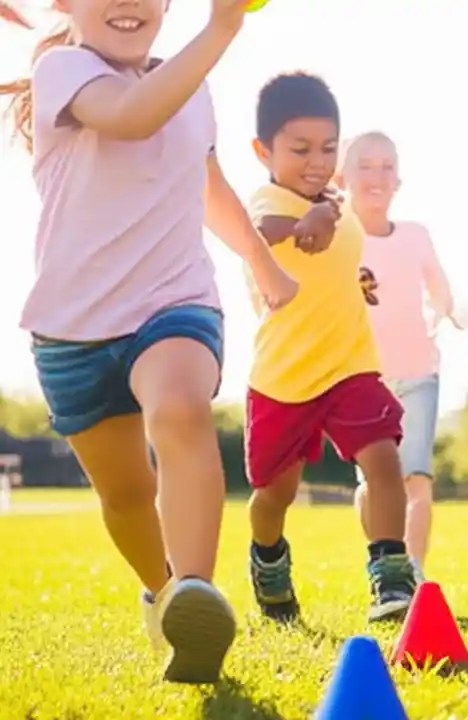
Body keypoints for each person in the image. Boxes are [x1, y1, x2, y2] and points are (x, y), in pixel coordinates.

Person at [0, 0, 296, 683]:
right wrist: (221, 29)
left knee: (182, 411)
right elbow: (132, 116)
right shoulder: (63, 69)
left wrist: (261, 262)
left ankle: (196, 594)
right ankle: (166, 595)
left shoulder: (190, 84)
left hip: (174, 303)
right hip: (71, 329)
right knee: (127, 496)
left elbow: (209, 186)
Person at [242, 72, 417, 625]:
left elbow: (335, 265)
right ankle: (268, 558)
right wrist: (305, 220)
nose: (316, 162)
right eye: (300, 150)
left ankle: (391, 573)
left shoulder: (338, 207)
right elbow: (258, 231)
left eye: (327, 148)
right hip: (284, 377)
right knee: (275, 494)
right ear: (264, 151)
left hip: (350, 365)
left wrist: (356, 281)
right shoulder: (267, 201)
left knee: (384, 460)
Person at [336, 131, 463, 584]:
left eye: (387, 166)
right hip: (363, 379)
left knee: (417, 479)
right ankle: (385, 561)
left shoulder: (415, 236)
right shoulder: (337, 241)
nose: (377, 176)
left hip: (419, 374)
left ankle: (414, 573)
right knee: (373, 483)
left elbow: (441, 290)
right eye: (365, 166)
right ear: (342, 177)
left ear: (399, 181)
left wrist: (450, 312)